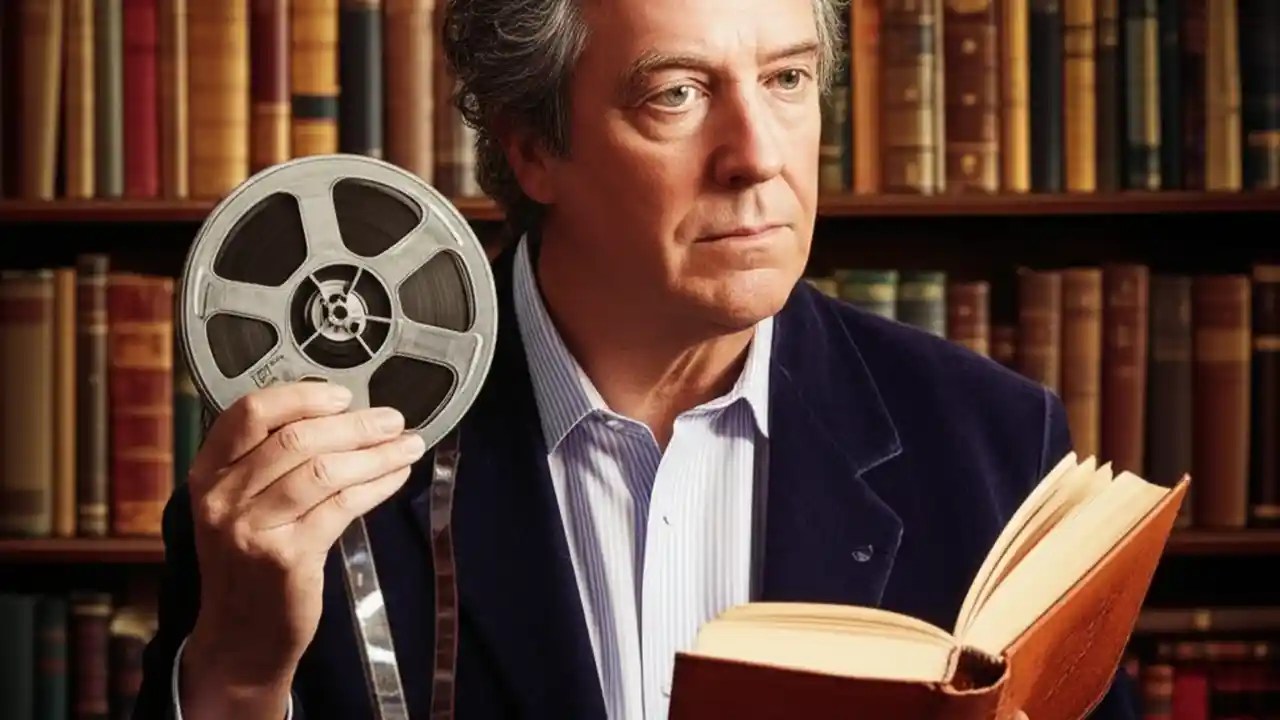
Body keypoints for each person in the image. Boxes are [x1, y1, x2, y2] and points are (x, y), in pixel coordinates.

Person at [133, 0, 1138, 717]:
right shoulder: (290, 477)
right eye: (676, 93)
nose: (756, 154)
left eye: (786, 79)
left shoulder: (995, 444)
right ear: (532, 149)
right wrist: (235, 671)